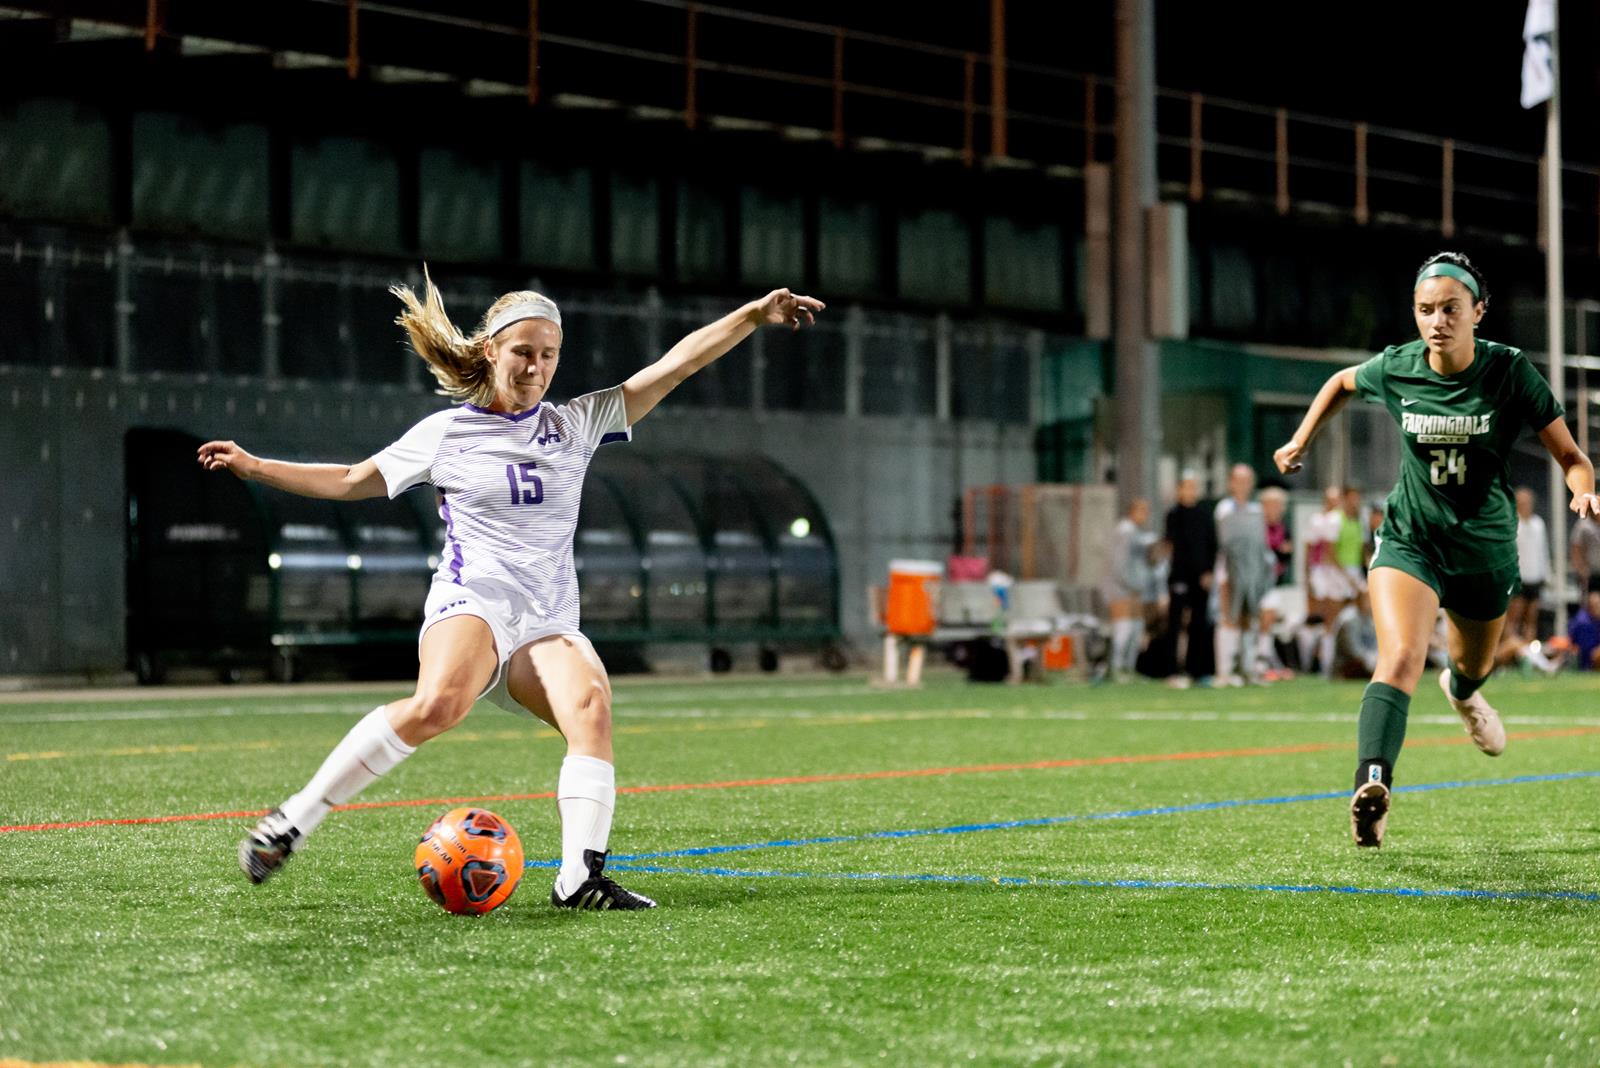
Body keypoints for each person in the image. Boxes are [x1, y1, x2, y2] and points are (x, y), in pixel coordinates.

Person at [200, 272, 825, 907]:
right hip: (474, 599)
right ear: (492, 349)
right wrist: (254, 466)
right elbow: (349, 479)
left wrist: (749, 316)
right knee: (438, 705)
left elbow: (673, 367)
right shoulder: (447, 433)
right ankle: (292, 821)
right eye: (524, 351)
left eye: (549, 354)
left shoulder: (577, 423)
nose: (536, 367)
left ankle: (580, 879)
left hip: (547, 618)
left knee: (591, 708)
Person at [1273, 251, 1598, 848]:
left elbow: (1574, 460)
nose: (1437, 320)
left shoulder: (1508, 371)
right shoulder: (1399, 367)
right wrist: (1299, 440)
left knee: (1472, 665)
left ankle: (1464, 692)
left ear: (1478, 311)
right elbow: (1341, 382)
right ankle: (1372, 787)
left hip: (1484, 552)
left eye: (1451, 308)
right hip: (1411, 540)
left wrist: (1584, 494)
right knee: (1398, 656)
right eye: (1426, 309)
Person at [1213, 464, 1272, 684]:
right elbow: (1225, 544)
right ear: (1231, 482)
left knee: (1249, 618)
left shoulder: (1256, 510)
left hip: (1252, 571)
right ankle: (1225, 671)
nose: (1243, 485)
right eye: (1239, 480)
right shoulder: (1224, 509)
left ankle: (1247, 668)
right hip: (1229, 570)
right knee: (1229, 616)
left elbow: (1261, 544)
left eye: (1247, 480)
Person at [1159, 473, 1216, 684]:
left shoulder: (1204, 515)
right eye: (1187, 487)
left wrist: (1208, 572)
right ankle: (1171, 670)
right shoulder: (1173, 515)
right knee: (1175, 623)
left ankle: (1198, 670)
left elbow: (1212, 545)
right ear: (1179, 489)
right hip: (1180, 576)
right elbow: (1171, 546)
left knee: (1199, 623)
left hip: (1201, 578)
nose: (1191, 491)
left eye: (1194, 487)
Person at [1103, 498, 1159, 679]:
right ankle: (1116, 667)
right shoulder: (1124, 531)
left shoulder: (1137, 533)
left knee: (1136, 627)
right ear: (1132, 511)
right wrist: (1132, 584)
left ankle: (1128, 668)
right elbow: (1119, 565)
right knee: (1124, 627)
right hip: (1121, 588)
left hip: (1134, 588)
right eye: (1141, 510)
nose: (1145, 515)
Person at [1509, 487, 1549, 643]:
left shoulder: (1538, 524)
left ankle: (1528, 656)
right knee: (1514, 619)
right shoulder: (1513, 523)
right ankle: (1512, 653)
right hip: (1518, 577)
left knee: (1531, 619)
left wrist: (1545, 574)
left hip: (1535, 577)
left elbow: (1543, 550)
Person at [1573, 509, 1600, 595]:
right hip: (1591, 573)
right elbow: (1576, 549)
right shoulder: (1583, 525)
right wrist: (1581, 569)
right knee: (1593, 601)